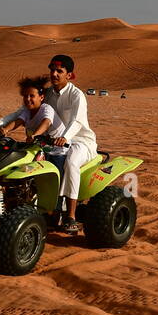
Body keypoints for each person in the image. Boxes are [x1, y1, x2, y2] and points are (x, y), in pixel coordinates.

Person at [0, 74, 71, 221]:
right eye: (25, 96)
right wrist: (4, 130)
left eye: (31, 96)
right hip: (37, 148)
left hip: (57, 150)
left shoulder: (47, 109)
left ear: (41, 97)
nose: (28, 99)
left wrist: (35, 135)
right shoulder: (26, 111)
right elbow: (18, 121)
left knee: (55, 177)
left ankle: (58, 208)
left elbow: (46, 122)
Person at [42, 54, 98, 233]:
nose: (55, 74)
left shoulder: (77, 95)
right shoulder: (49, 93)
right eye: (52, 70)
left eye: (60, 71)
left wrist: (65, 137)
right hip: (55, 141)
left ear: (69, 75)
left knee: (71, 162)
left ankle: (71, 215)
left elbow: (77, 121)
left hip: (81, 142)